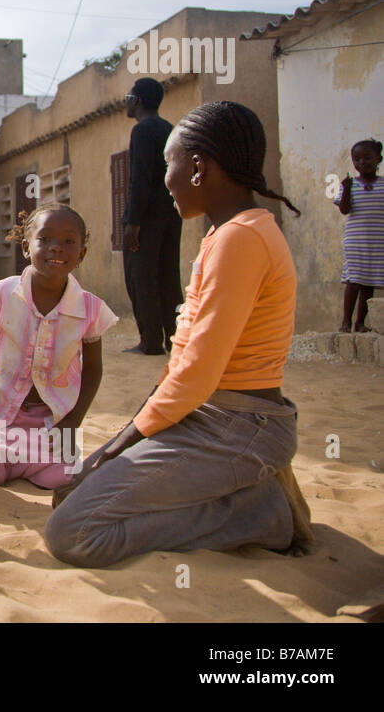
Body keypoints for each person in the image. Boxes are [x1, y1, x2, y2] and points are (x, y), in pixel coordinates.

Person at [46, 101, 313, 568]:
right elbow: (184, 365)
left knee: (74, 533)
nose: (162, 179)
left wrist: (110, 452)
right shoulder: (224, 235)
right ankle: (247, 496)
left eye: (167, 164)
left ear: (196, 168)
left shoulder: (240, 240)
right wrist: (126, 442)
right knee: (73, 498)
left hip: (236, 426)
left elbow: (195, 374)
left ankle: (260, 514)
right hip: (208, 416)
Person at [0, 206, 117, 490]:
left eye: (69, 242)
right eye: (45, 239)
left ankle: (22, 459)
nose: (57, 248)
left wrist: (73, 421)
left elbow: (93, 368)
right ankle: (5, 455)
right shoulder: (3, 293)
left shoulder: (90, 308)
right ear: (25, 247)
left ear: (81, 254)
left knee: (61, 478)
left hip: (50, 420)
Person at [121, 77, 182, 355]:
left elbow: (140, 179)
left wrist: (133, 222)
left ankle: (150, 342)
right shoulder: (170, 129)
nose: (126, 101)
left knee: (141, 277)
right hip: (171, 214)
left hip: (146, 219)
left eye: (129, 96)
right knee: (168, 276)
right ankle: (175, 337)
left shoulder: (142, 131)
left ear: (138, 100)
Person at [335, 138, 383, 333]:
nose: (362, 162)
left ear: (378, 159)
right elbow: (344, 210)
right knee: (354, 281)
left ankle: (360, 323)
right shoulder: (350, 184)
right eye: (357, 159)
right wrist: (346, 189)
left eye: (367, 158)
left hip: (378, 242)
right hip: (356, 241)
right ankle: (346, 322)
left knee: (368, 283)